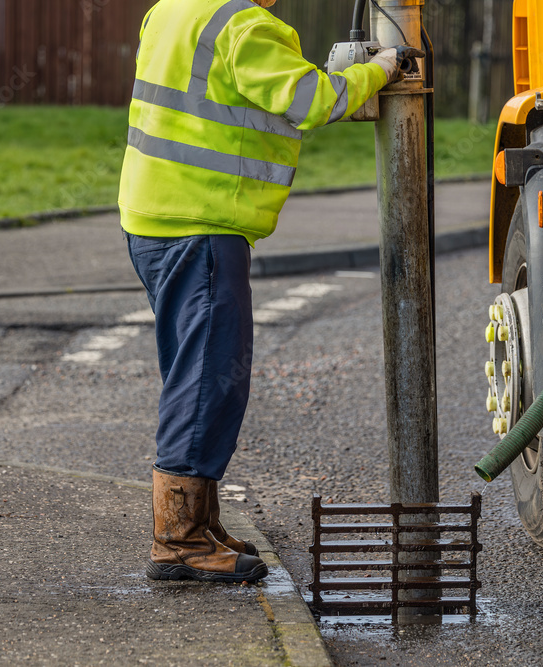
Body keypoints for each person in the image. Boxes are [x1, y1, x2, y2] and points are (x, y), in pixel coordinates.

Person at [118, 0, 423, 584]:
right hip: (202, 225)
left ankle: (200, 524)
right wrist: (382, 67)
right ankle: (178, 540)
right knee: (209, 380)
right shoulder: (245, 27)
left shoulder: (171, 10)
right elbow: (314, 101)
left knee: (193, 375)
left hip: (152, 219)